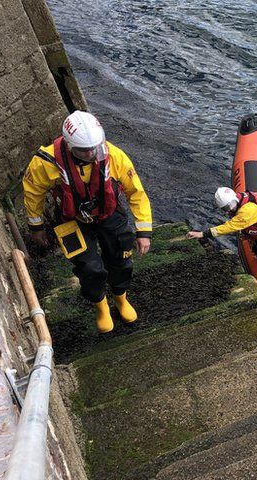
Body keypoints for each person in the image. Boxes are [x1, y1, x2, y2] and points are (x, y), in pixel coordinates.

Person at [23, 111, 153, 333]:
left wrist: (143, 232)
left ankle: (120, 298)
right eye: (84, 150)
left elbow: (136, 192)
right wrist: (36, 227)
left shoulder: (114, 156)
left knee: (121, 258)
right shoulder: (45, 163)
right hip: (72, 219)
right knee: (89, 268)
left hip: (109, 213)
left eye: (95, 147)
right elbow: (33, 194)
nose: (92, 153)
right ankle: (101, 306)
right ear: (70, 145)